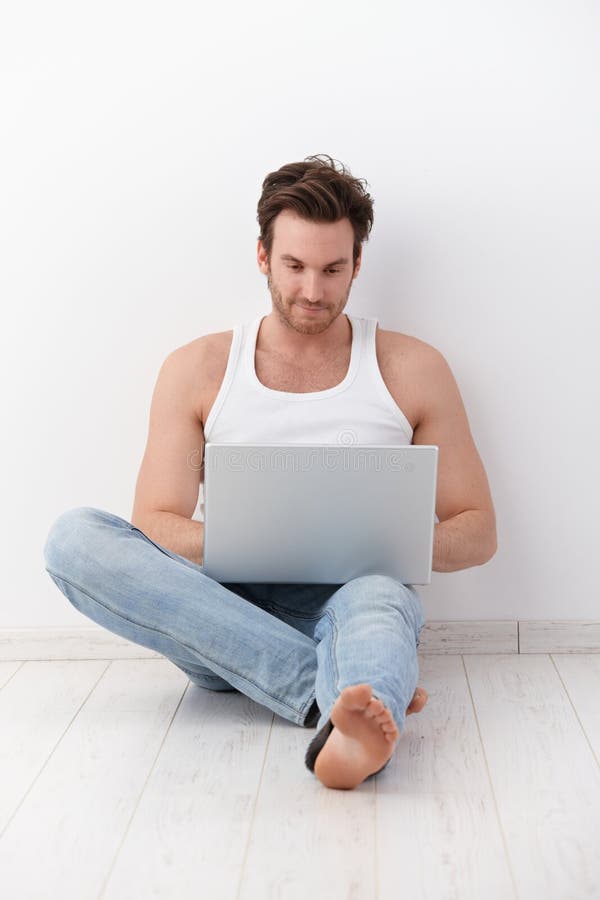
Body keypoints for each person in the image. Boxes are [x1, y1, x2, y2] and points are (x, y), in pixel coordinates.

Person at [43, 154, 497, 791]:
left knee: (382, 596)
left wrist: (367, 546)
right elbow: (155, 522)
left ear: (358, 264)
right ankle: (329, 698)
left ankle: (350, 736)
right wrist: (261, 546)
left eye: (334, 269)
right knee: (74, 538)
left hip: (349, 597)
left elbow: (477, 531)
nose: (313, 291)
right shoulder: (197, 367)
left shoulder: (412, 368)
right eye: (295, 266)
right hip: (221, 610)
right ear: (263, 257)